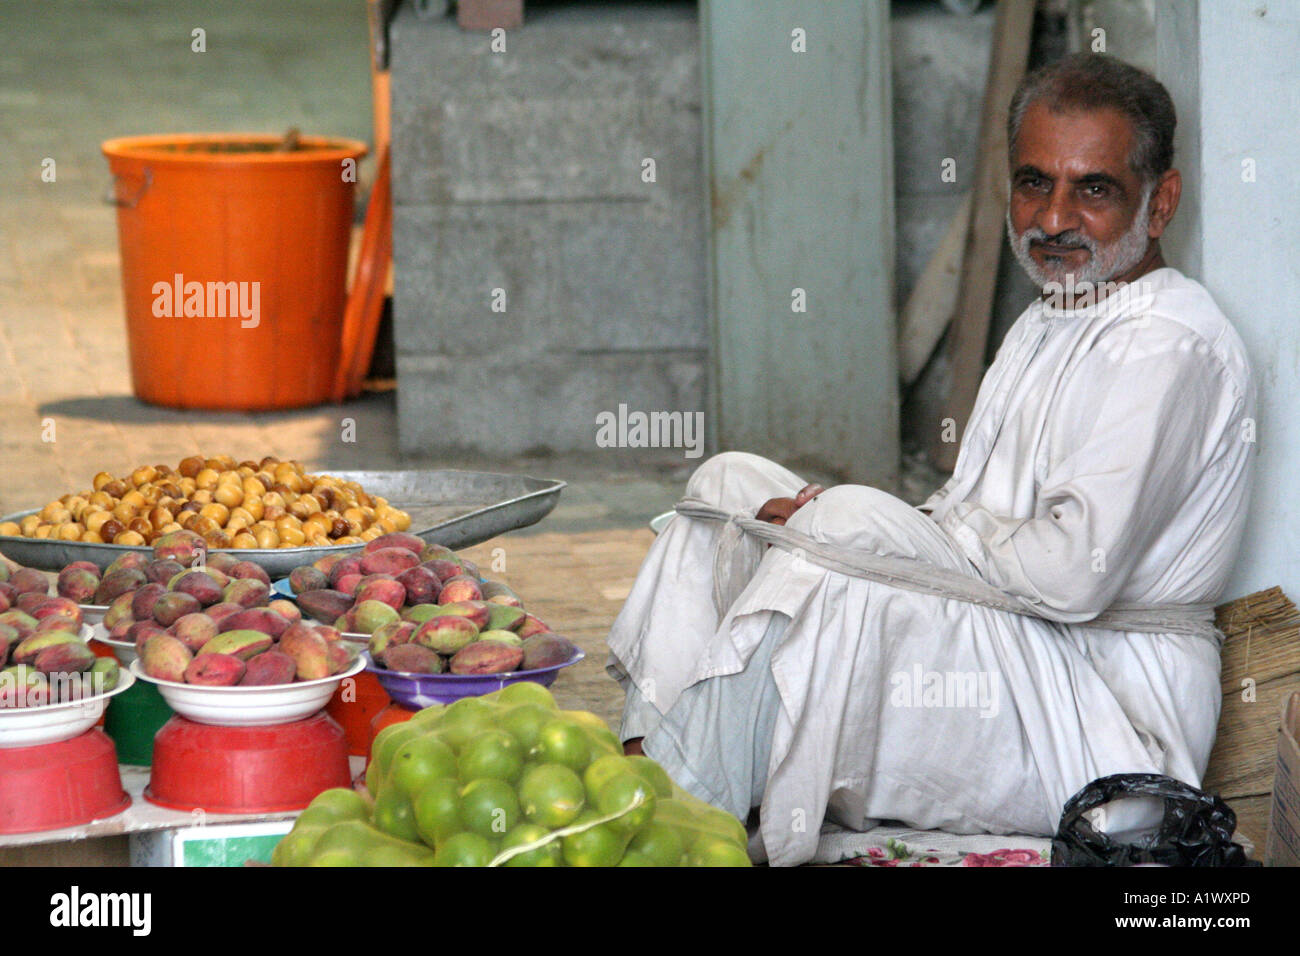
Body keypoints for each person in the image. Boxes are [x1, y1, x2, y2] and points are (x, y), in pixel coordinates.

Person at [605, 53, 1257, 866]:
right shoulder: (1052, 317)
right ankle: (647, 769)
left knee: (840, 530)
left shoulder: (1168, 344)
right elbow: (970, 528)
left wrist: (868, 528)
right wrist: (879, 529)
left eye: (1093, 189)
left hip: (1102, 725)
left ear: (1160, 202)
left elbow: (1070, 576)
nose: (1052, 217)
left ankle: (664, 820)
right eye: (1032, 183)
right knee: (727, 483)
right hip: (1015, 647)